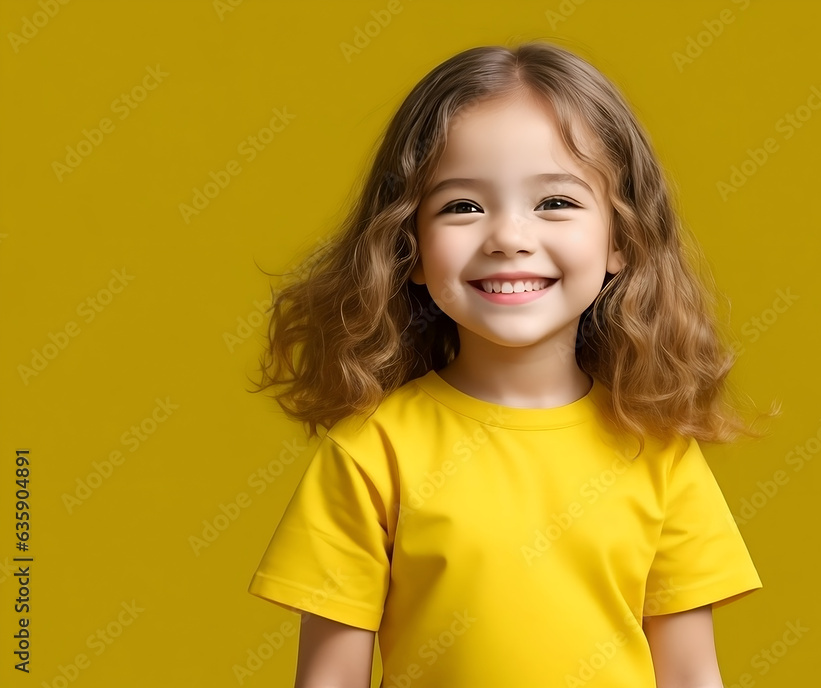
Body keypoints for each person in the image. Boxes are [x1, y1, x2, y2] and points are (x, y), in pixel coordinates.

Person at [246, 40, 779, 688]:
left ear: (621, 240)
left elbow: (693, 675)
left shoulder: (659, 454)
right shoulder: (370, 454)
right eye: (462, 206)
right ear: (408, 247)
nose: (508, 237)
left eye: (555, 201)